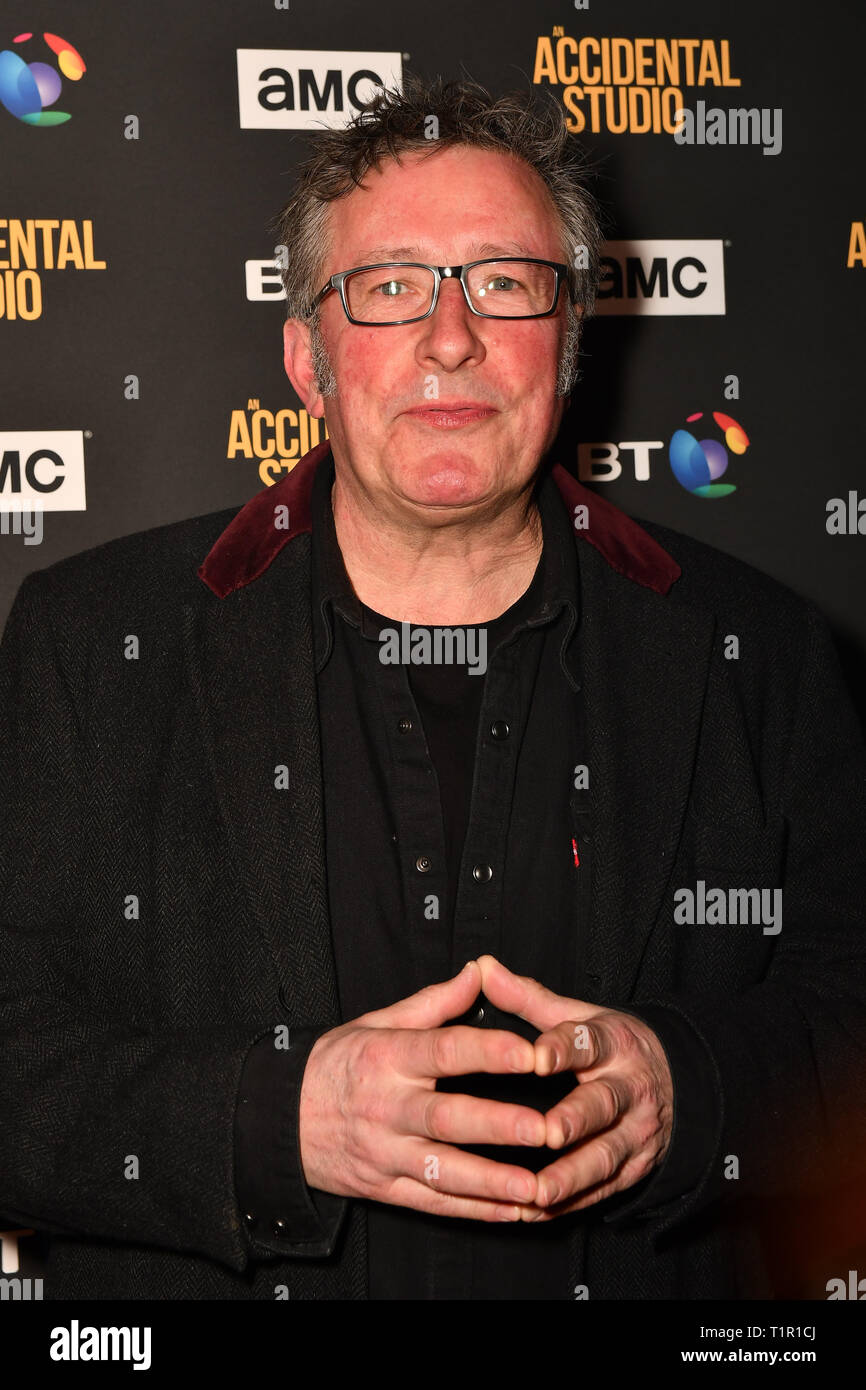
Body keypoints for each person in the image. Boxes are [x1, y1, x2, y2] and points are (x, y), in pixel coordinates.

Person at [1, 75, 864, 1302]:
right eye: (391, 286)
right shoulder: (92, 643)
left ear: (564, 348)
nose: (448, 337)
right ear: (306, 357)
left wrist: (689, 1088)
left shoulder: (757, 652)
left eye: (501, 283)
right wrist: (275, 1119)